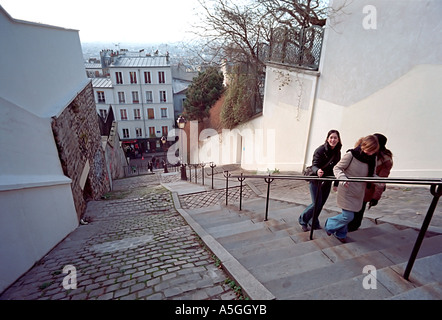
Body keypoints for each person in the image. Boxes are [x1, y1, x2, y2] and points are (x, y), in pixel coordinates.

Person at [324, 135, 379, 242]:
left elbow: (372, 174)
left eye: (373, 151)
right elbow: (337, 168)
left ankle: (340, 234)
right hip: (347, 190)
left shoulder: (373, 158)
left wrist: (379, 181)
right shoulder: (351, 155)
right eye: (369, 150)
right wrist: (342, 178)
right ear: (364, 146)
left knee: (349, 215)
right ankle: (330, 224)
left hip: (358, 192)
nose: (371, 153)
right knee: (348, 216)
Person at [348, 133, 393, 232]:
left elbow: (381, 180)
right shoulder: (364, 151)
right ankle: (345, 228)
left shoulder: (385, 160)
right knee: (350, 209)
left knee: (358, 211)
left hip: (367, 189)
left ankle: (350, 229)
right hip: (355, 185)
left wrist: (376, 197)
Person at [299, 130, 342, 231]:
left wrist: (336, 184)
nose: (333, 139)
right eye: (331, 137)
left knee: (321, 204)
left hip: (327, 181)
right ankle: (303, 219)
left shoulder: (337, 152)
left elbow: (337, 168)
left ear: (338, 139)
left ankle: (313, 222)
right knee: (317, 203)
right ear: (327, 139)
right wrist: (318, 170)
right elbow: (314, 164)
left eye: (335, 138)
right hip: (316, 179)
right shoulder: (320, 150)